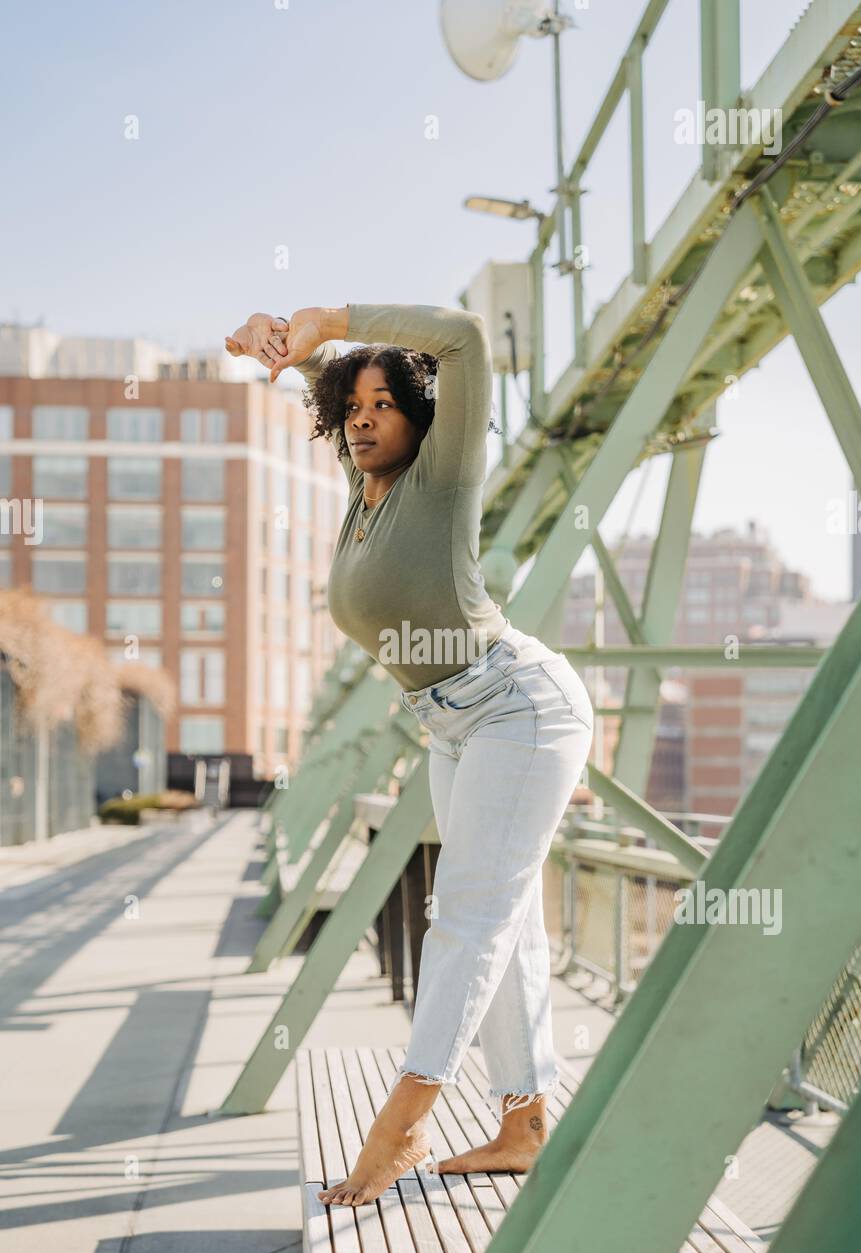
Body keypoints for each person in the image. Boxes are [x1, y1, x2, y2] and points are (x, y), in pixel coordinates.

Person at [225, 304, 594, 1206]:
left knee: (467, 916)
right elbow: (329, 393)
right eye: (352, 404)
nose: (363, 417)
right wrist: (274, 346)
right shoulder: (365, 495)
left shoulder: (441, 478)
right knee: (505, 930)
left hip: (520, 708)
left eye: (385, 403)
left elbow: (463, 335)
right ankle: (523, 1124)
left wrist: (333, 318)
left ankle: (404, 1121)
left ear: (421, 419)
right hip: (451, 724)